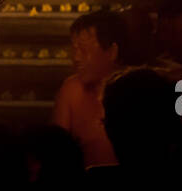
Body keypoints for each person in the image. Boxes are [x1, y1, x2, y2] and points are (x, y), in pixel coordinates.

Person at [51, 10, 128, 167]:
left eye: (84, 50)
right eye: (74, 49)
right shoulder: (71, 91)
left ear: (112, 51)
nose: (76, 57)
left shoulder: (138, 92)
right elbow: (55, 154)